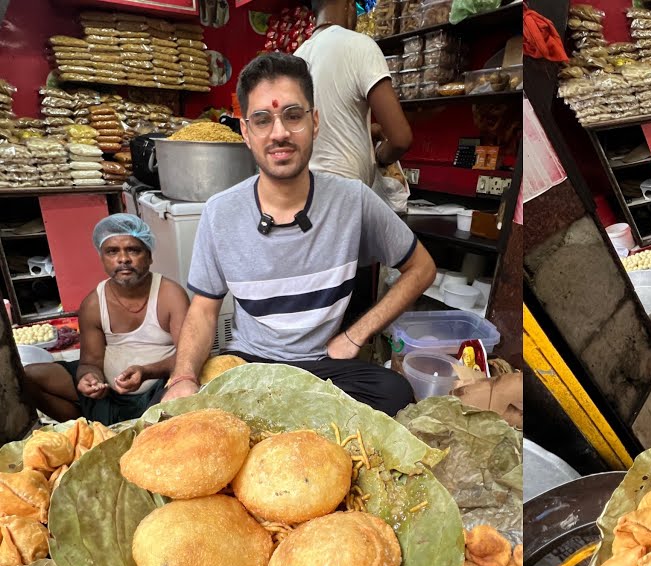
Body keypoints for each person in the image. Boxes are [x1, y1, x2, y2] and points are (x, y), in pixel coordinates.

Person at [161, 52, 436, 417]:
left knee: (395, 392)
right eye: (262, 119)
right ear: (245, 131)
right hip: (249, 365)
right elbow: (203, 310)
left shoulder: (353, 200)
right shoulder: (219, 213)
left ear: (315, 122)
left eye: (293, 116)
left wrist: (357, 334)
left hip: (324, 366)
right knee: (168, 408)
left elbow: (422, 268)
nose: (279, 133)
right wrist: (182, 377)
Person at [22, 215, 189, 424]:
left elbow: (189, 356)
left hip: (156, 387)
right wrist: (89, 378)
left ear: (149, 256)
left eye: (133, 250)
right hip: (107, 389)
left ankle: (108, 424)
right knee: (27, 376)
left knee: (176, 405)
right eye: (112, 251)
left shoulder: (170, 295)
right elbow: (90, 361)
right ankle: (83, 428)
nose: (123, 259)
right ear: (102, 258)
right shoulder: (93, 303)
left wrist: (146, 372)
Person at [294, 0, 413, 187]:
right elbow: (401, 139)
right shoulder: (360, 45)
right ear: (349, 6)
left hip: (303, 191)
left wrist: (364, 132)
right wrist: (380, 156)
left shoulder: (297, 56)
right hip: (344, 194)